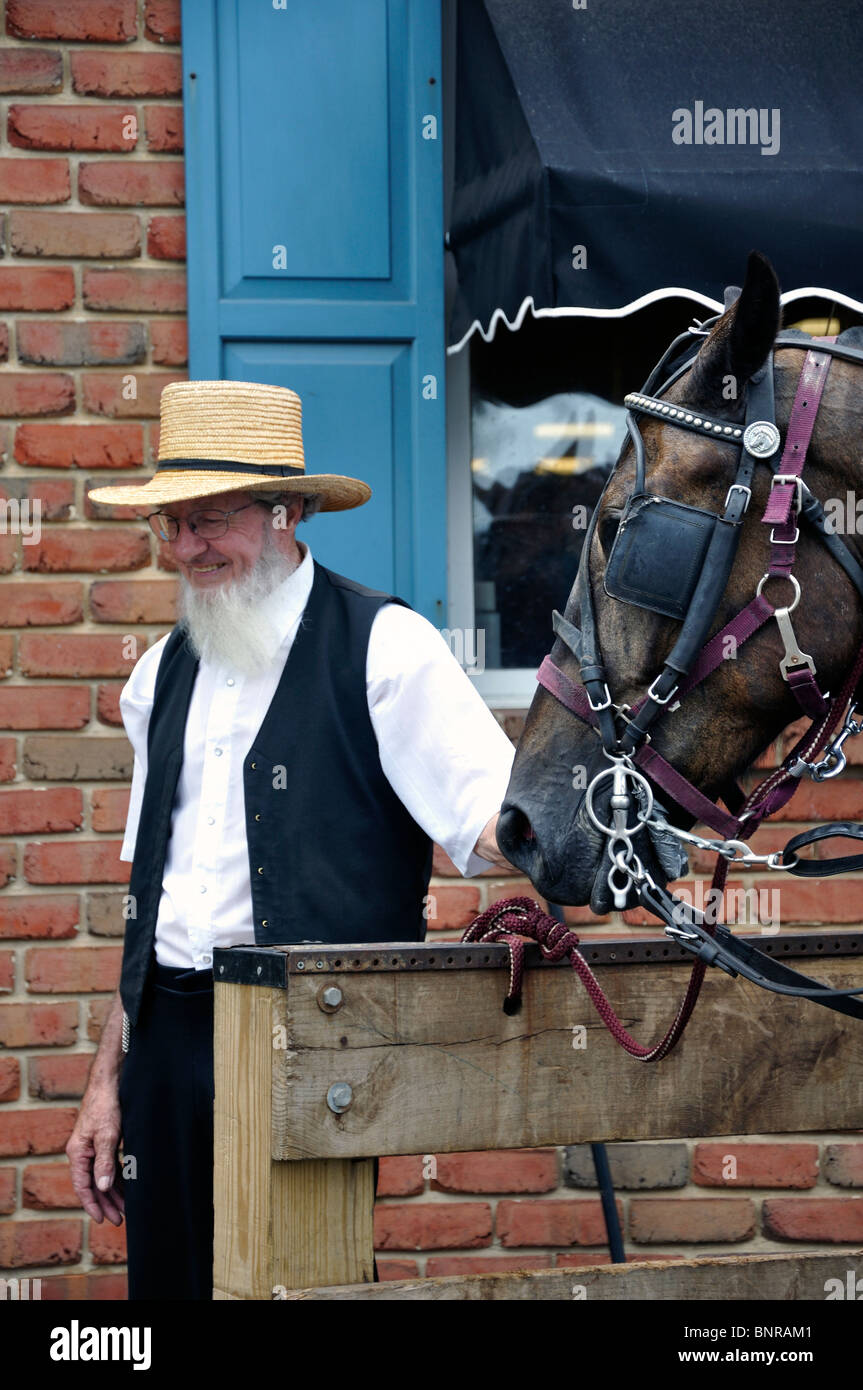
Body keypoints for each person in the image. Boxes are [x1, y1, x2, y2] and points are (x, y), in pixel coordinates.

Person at [66, 379, 516, 1300]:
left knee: (299, 1289)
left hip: (311, 1038)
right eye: (172, 524)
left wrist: (616, 816)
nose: (189, 547)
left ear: (289, 509)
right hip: (167, 1043)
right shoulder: (157, 676)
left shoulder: (387, 647)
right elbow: (148, 908)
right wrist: (105, 1081)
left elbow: (497, 825)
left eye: (212, 519)